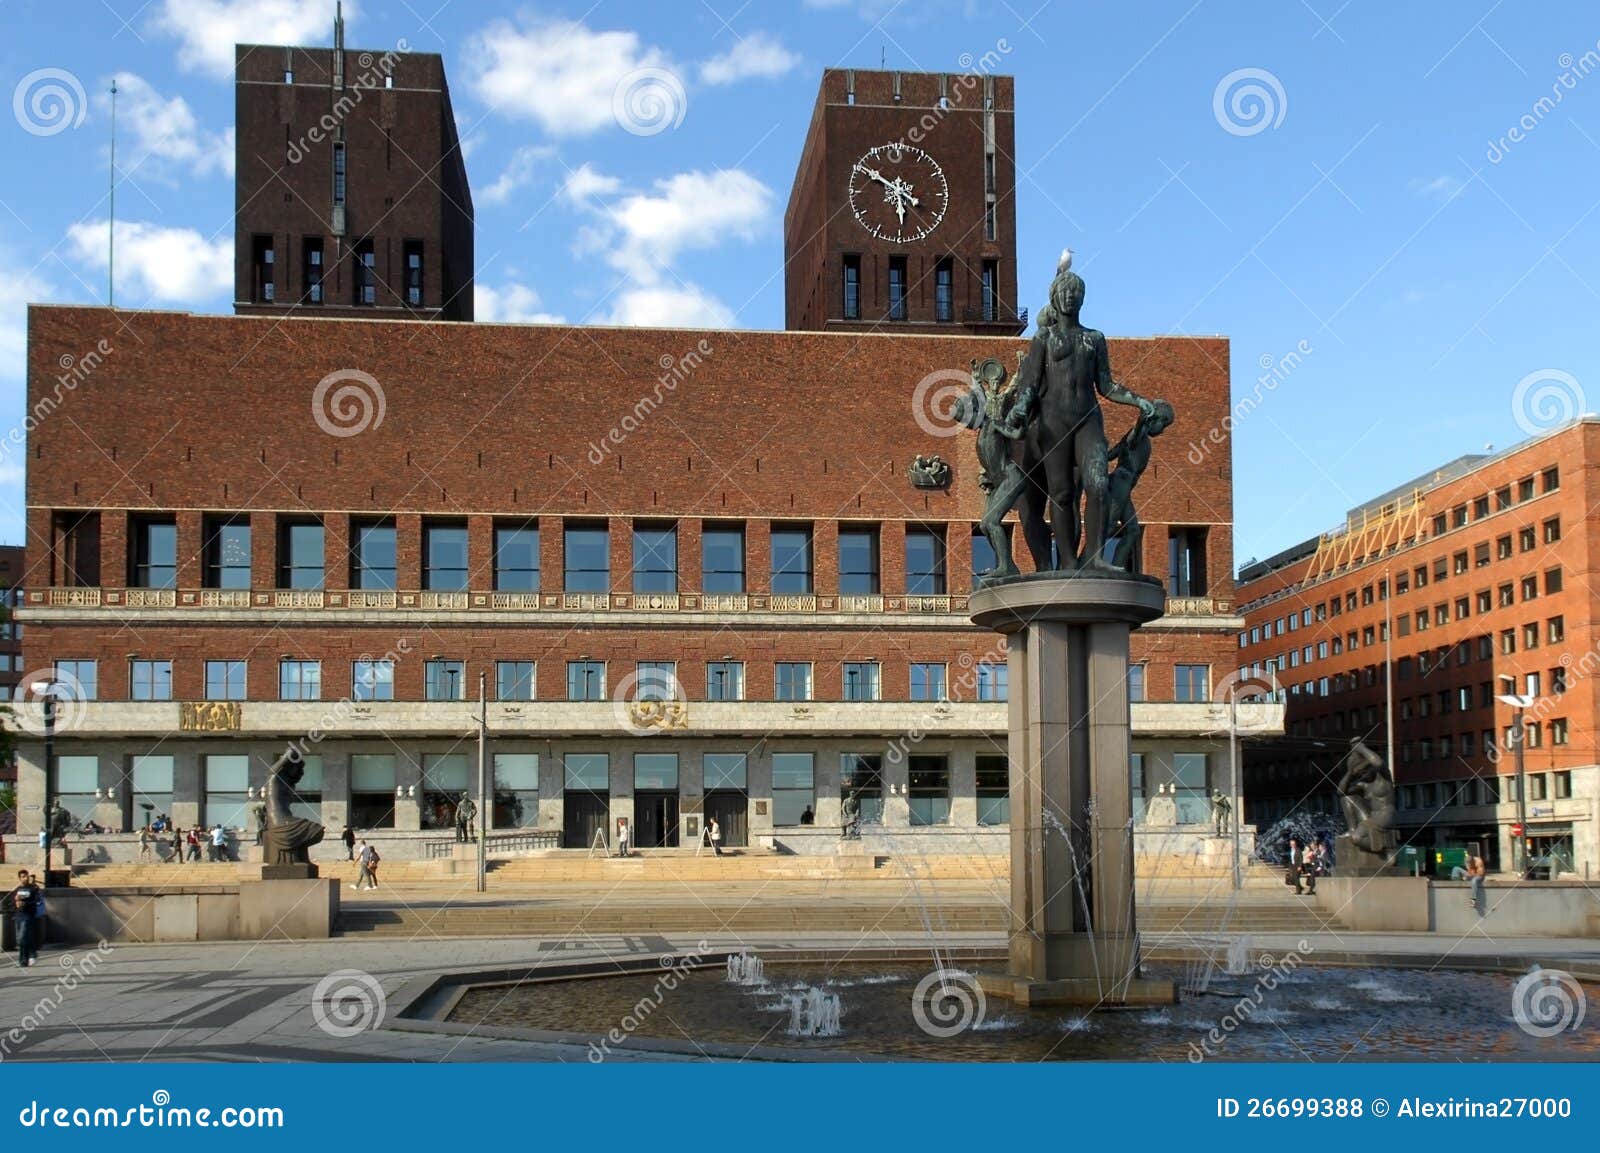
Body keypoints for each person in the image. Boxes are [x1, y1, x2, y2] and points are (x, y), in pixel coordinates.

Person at [10, 869, 40, 967]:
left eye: (26, 876)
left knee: (23, 937)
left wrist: (25, 903)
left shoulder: (33, 889)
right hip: (19, 916)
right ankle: (30, 955)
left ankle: (23, 960)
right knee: (20, 939)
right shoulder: (17, 890)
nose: (25, 878)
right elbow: (12, 904)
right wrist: (16, 903)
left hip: (28, 916)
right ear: (19, 878)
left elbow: (37, 901)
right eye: (23, 876)